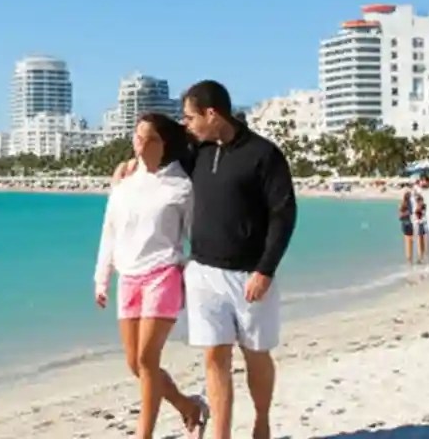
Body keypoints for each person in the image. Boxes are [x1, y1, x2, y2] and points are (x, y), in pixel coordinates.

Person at [113, 81, 297, 439]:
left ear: (212, 114)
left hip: (250, 276)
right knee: (215, 358)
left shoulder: (264, 154)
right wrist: (129, 164)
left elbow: (283, 214)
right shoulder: (195, 151)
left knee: (256, 354)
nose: (187, 124)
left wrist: (265, 269)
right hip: (203, 273)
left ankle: (261, 421)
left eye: (191, 117)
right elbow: (155, 145)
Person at [94, 113, 208, 439]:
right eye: (137, 136)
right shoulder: (123, 186)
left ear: (164, 144)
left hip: (163, 275)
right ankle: (189, 408)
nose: (140, 143)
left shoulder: (181, 187)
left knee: (147, 358)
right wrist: (101, 279)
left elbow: (195, 238)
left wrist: (189, 270)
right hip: (128, 278)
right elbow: (110, 233)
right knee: (135, 364)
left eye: (148, 138)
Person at [398, 187, 416, 265]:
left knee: (408, 241)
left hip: (407, 223)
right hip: (407, 223)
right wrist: (408, 213)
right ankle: (410, 259)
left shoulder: (406, 203)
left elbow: (400, 216)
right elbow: (400, 215)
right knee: (409, 241)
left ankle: (409, 259)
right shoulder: (405, 203)